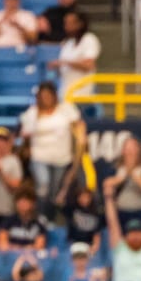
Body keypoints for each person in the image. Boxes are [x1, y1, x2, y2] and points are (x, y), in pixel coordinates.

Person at [20, 82, 85, 218]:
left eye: (48, 95)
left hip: (61, 158)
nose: (46, 99)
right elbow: (24, 134)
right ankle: (41, 216)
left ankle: (51, 216)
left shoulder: (66, 109)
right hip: (39, 157)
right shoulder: (32, 113)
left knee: (55, 190)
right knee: (43, 184)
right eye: (43, 96)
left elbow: (79, 124)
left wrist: (81, 138)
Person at [51, 11, 101, 97]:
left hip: (82, 93)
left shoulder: (89, 39)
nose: (66, 27)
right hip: (64, 92)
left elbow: (89, 65)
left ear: (80, 24)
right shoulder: (68, 43)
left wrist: (66, 63)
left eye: (70, 23)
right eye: (65, 23)